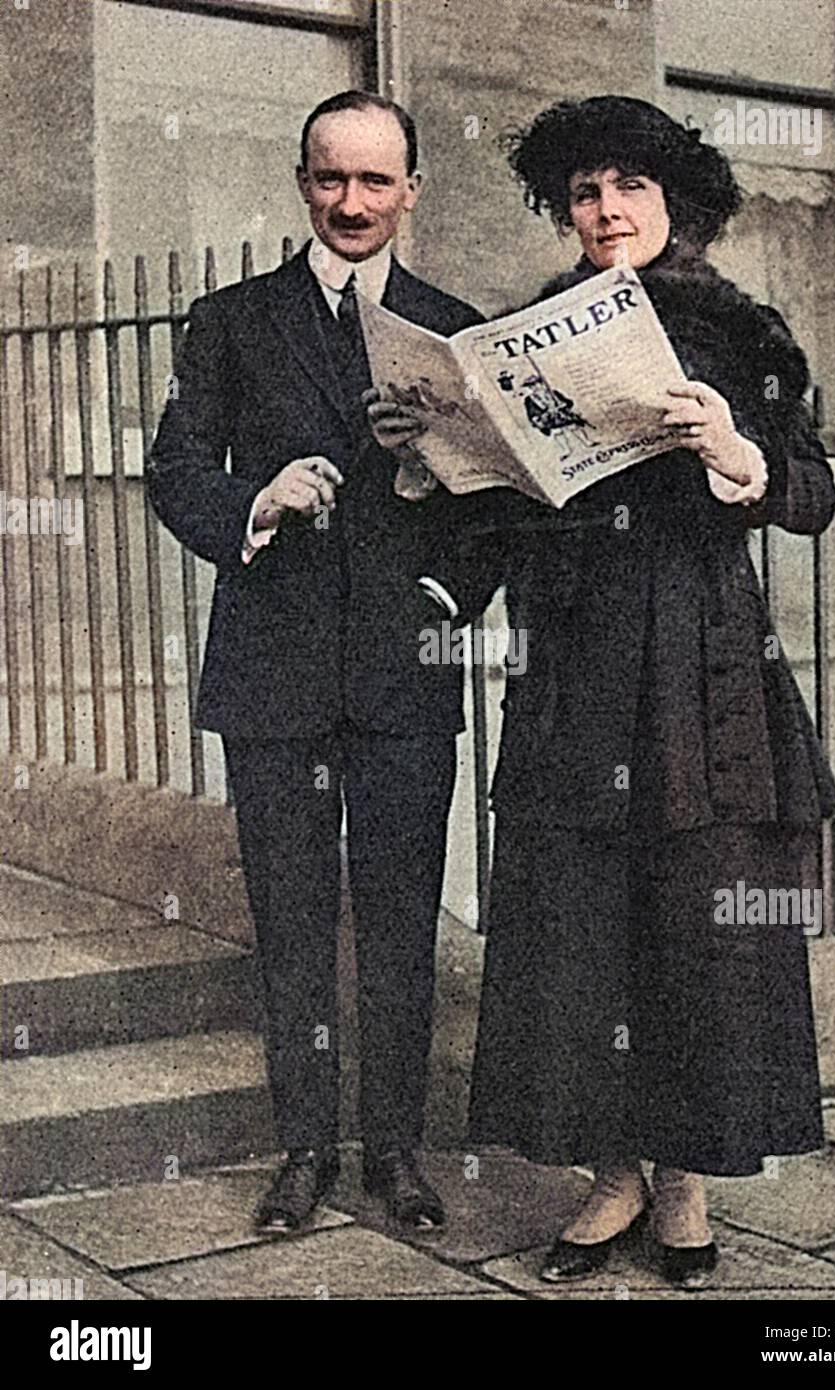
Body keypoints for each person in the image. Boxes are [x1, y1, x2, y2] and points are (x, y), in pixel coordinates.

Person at [367, 96, 835, 1289]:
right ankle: (613, 1173)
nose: (606, 210)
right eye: (584, 193)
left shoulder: (740, 333)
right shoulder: (526, 337)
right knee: (580, 928)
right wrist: (432, 465)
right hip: (574, 669)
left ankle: (679, 1178)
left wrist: (735, 453)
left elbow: (811, 490)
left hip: (699, 667)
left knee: (691, 924)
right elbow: (498, 518)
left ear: (672, 200)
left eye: (628, 186)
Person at [147, 90, 485, 1234]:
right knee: (290, 920)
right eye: (331, 179)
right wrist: (259, 499)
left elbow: (500, 505)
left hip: (402, 670)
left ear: (411, 191)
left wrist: (438, 524)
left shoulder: (453, 329)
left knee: (399, 921)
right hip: (276, 671)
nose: (352, 202)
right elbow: (176, 471)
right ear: (303, 183)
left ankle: (395, 1152)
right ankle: (304, 1153)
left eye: (375, 181)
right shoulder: (233, 320)